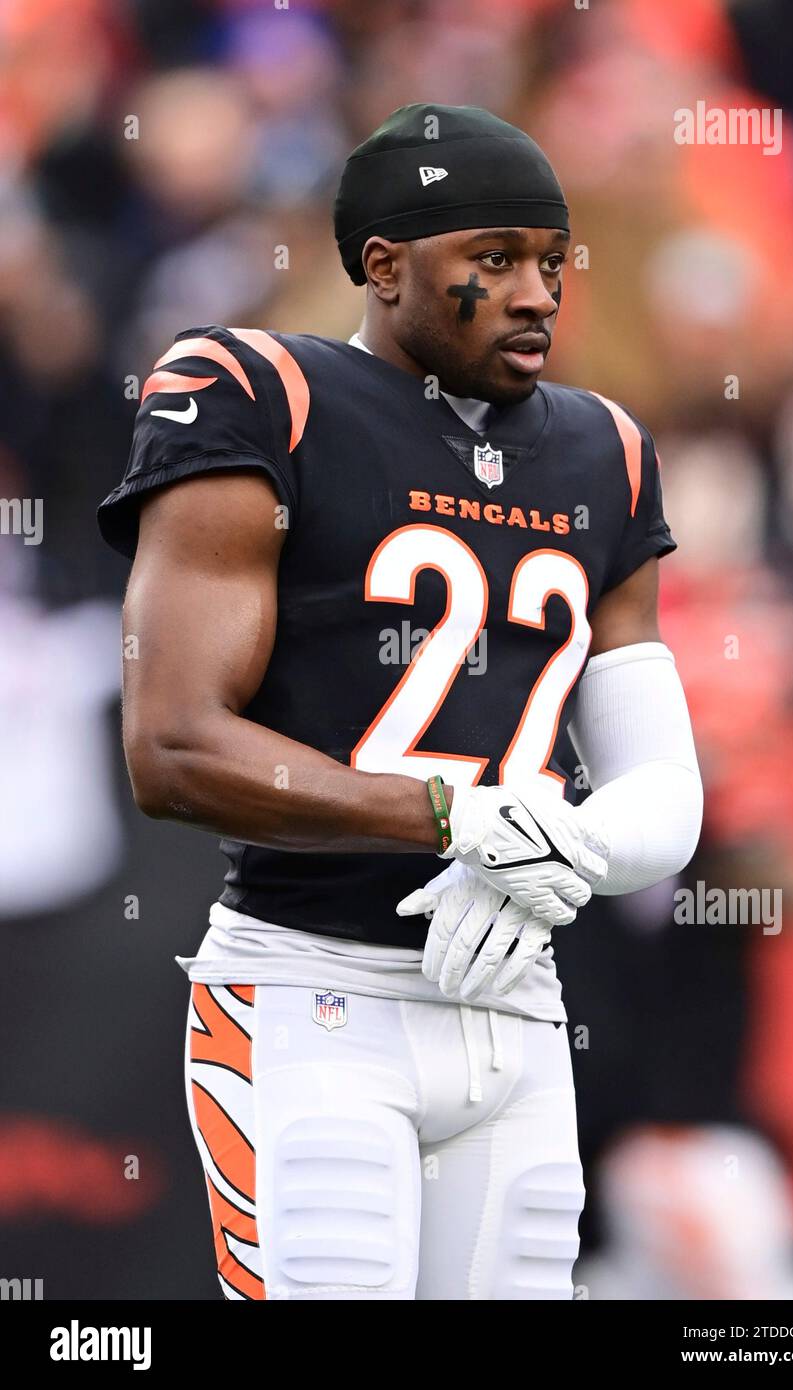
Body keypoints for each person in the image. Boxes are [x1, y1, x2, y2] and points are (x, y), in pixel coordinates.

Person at [97, 103, 703, 1301]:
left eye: (549, 261)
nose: (536, 293)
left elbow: (663, 792)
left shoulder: (605, 451)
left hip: (516, 1008)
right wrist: (446, 814)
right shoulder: (262, 392)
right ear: (382, 266)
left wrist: (540, 838)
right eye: (494, 260)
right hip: (311, 997)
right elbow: (170, 749)